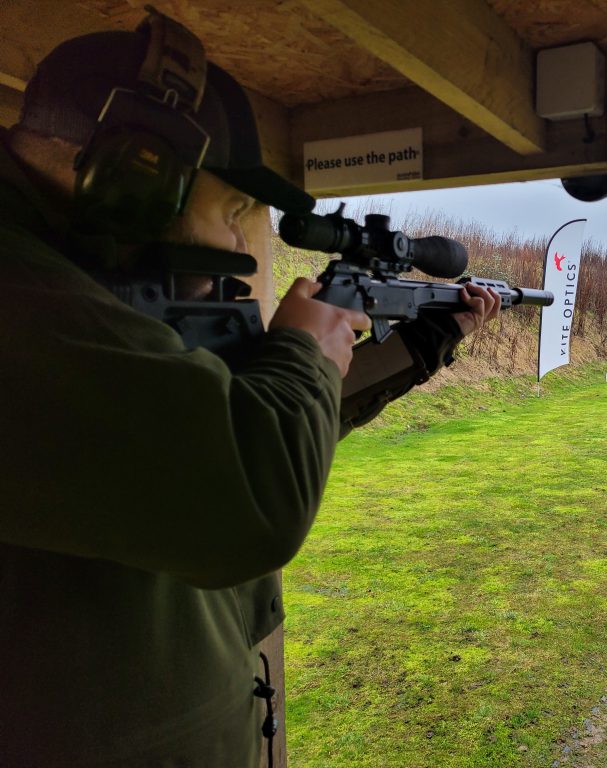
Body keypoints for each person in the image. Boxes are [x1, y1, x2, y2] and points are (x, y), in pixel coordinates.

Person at [0, 9, 499, 766]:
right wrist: (304, 346)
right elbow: (257, 500)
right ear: (138, 175)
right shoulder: (24, 302)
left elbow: (256, 421)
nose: (241, 243)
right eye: (234, 211)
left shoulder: (82, 295)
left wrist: (428, 340)